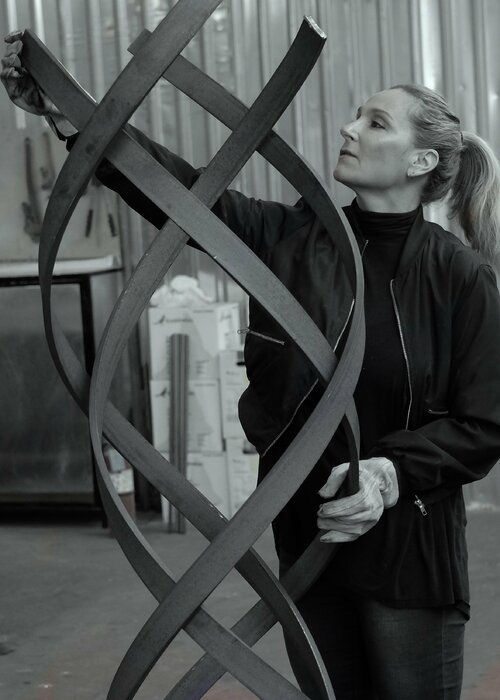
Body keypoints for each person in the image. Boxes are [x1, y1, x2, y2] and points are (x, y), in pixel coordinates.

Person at [3, 29, 500, 700]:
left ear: (421, 160)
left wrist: (389, 474)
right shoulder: (291, 237)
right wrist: (73, 117)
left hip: (409, 555)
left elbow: (484, 423)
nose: (350, 128)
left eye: (375, 122)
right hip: (307, 546)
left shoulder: (459, 276)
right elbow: (177, 191)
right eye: (357, 116)